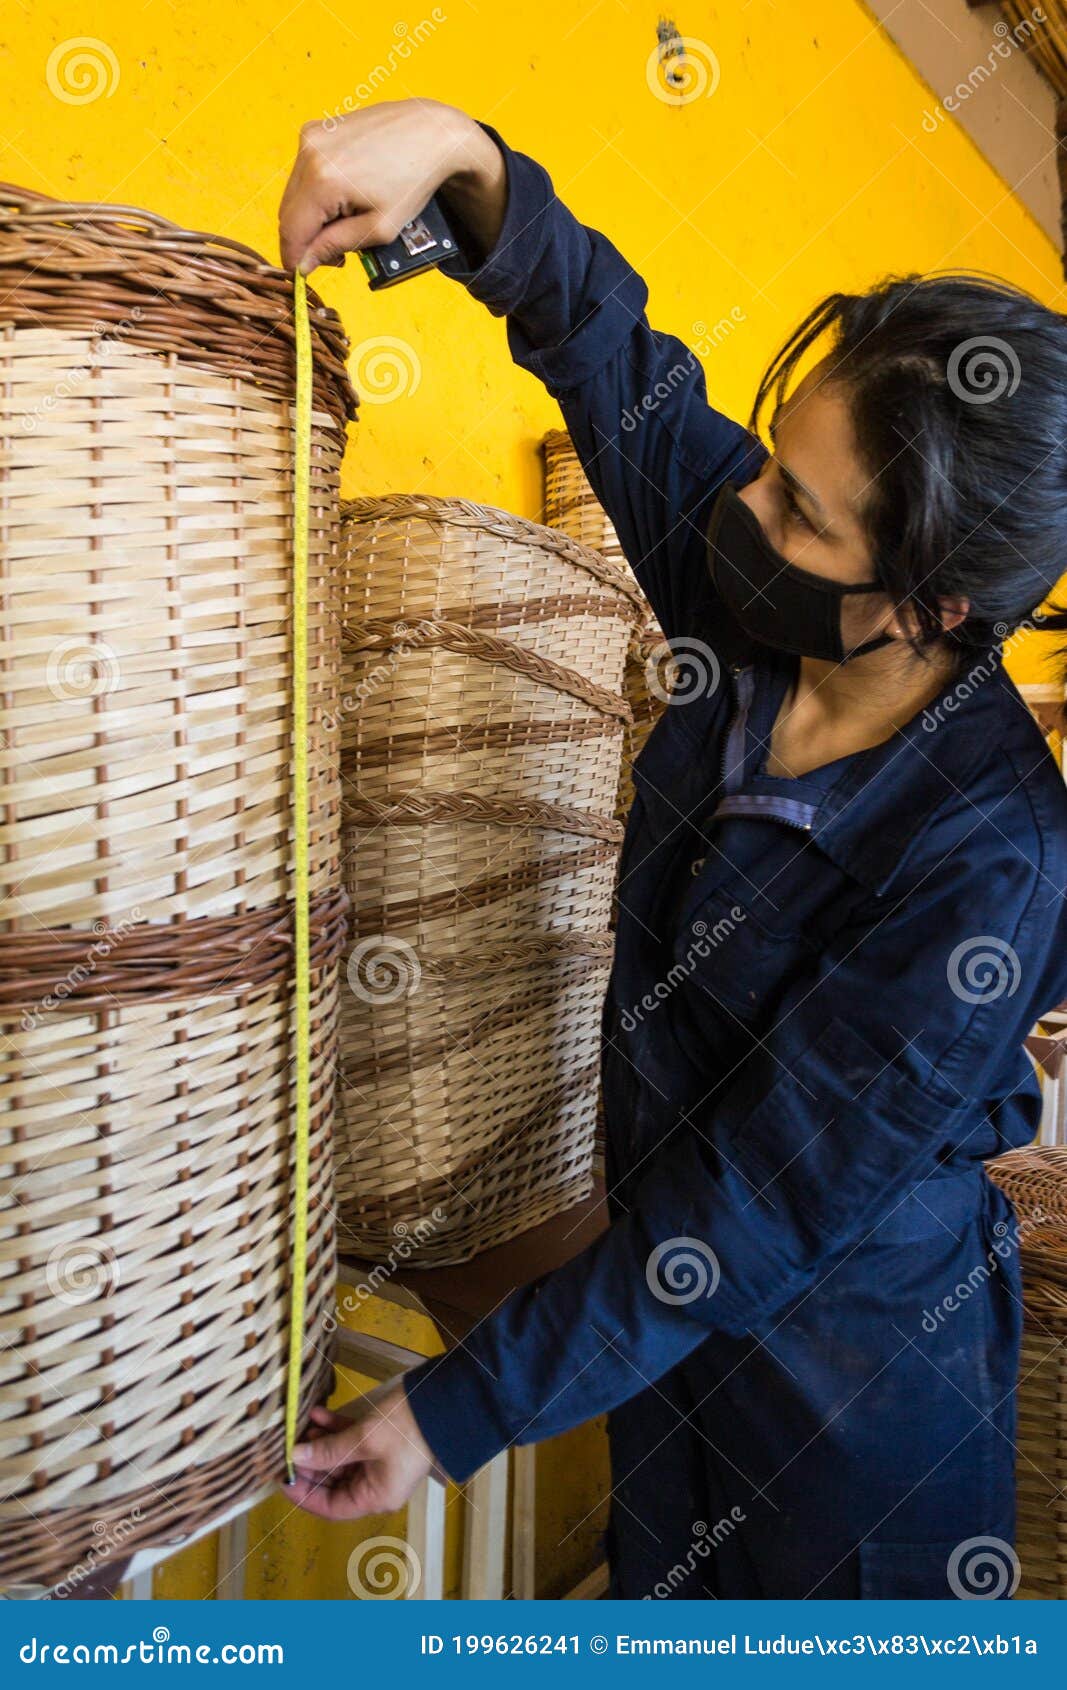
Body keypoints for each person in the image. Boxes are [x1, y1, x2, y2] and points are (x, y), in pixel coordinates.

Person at [278, 98, 1067, 1599]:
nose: (743, 509)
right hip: (664, 1307)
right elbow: (617, 364)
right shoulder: (756, 612)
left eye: (799, 513)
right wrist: (468, 164)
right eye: (770, 466)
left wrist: (455, 1411)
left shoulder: (992, 863)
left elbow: (763, 1205)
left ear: (934, 605)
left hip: (852, 1384)